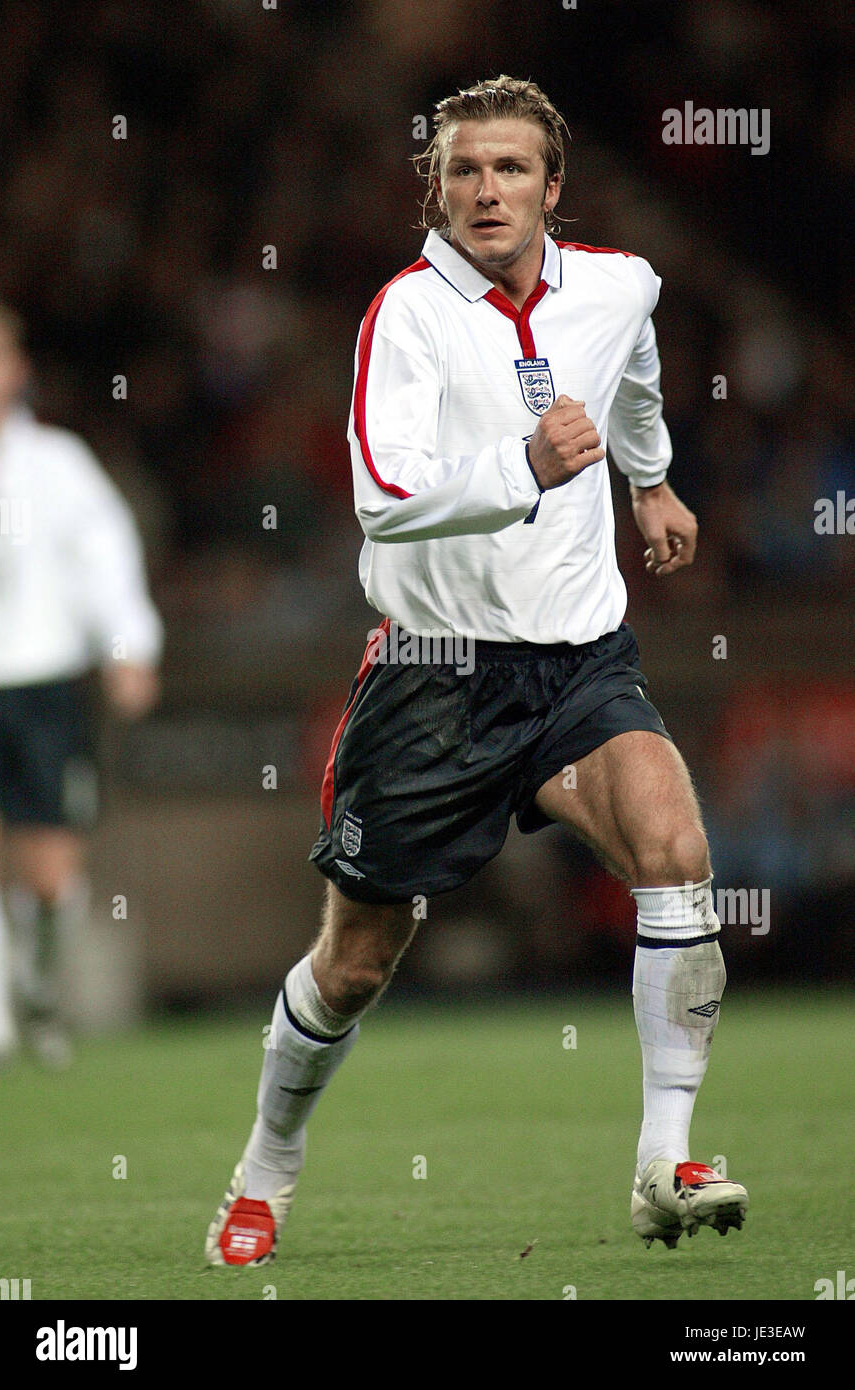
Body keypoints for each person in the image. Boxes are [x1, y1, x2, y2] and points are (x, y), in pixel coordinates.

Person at [206, 75, 747, 1266]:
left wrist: (647, 480)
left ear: (552, 187)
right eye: (462, 170)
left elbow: (636, 377)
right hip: (433, 679)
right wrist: (528, 466)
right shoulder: (403, 316)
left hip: (577, 662)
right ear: (434, 188)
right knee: (353, 964)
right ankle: (266, 1166)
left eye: (508, 169)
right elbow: (382, 502)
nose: (485, 189)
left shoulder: (616, 286)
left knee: (675, 848)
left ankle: (665, 1159)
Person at [0, 297, 162, 1069]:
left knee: (51, 871)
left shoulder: (55, 464)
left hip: (44, 683)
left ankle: (39, 979)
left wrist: (128, 647)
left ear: (14, 371)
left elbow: (106, 559)